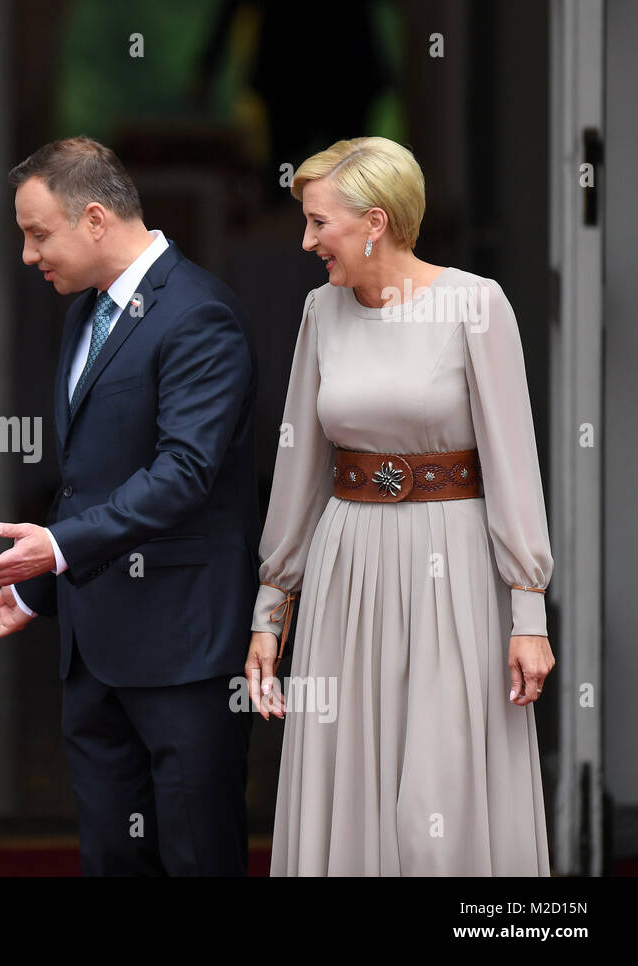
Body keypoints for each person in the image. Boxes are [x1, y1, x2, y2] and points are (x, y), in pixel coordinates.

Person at [244, 136, 555, 875]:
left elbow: (513, 463)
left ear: (375, 222)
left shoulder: (475, 304)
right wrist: (269, 609)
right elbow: (299, 465)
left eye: (321, 222)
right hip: (348, 569)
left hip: (453, 570)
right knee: (350, 784)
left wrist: (529, 614)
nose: (307, 239)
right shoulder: (321, 311)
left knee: (435, 803)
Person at [0, 137, 259, 876]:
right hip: (94, 653)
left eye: (37, 234)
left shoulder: (198, 315)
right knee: (113, 859)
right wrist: (38, 589)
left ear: (94, 219)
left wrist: (57, 549)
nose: (28, 256)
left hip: (181, 648)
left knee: (194, 855)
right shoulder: (84, 313)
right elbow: (90, 479)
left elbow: (184, 472)